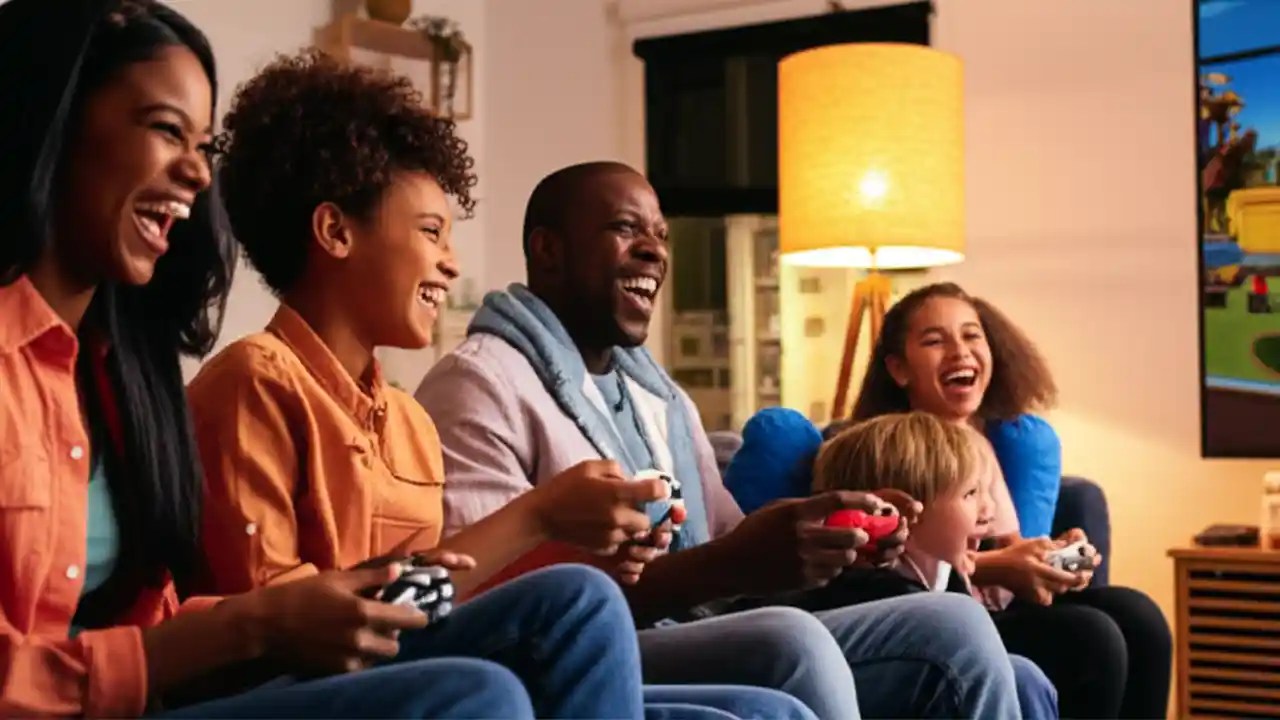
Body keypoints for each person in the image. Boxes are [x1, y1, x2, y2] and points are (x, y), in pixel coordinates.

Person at [185, 51, 814, 720]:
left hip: (394, 661)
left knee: (768, 711)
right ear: (335, 231)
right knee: (576, 604)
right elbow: (288, 632)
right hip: (292, 684)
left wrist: (586, 551)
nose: (453, 264)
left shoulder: (405, 420)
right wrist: (538, 518)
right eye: (431, 233)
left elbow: (429, 596)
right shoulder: (255, 383)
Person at [0, 1, 545, 717]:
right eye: (167, 130)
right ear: (56, 121)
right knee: (480, 693)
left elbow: (149, 622)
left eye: (203, 146)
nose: (197, 173)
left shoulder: (123, 377)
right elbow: (247, 622)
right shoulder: (251, 380)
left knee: (578, 613)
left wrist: (320, 605)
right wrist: (258, 620)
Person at [416, 161, 1036, 719]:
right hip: (608, 645)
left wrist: (824, 535)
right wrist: (731, 563)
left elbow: (726, 540)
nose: (654, 253)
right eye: (626, 230)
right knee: (795, 642)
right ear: (547, 250)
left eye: (660, 235)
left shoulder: (658, 395)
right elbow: (496, 605)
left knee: (980, 642)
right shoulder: (481, 382)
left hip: (701, 621)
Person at [849, 281, 1172, 719]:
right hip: (951, 621)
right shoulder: (895, 447)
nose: (959, 352)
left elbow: (1005, 548)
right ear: (900, 369)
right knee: (1091, 636)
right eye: (934, 341)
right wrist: (1010, 566)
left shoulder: (979, 442)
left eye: (970, 335)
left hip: (997, 606)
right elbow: (906, 566)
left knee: (1140, 616)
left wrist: (1056, 560)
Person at [805, 413, 1058, 719]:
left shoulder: (946, 576)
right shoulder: (863, 590)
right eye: (970, 494)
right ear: (896, 512)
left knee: (1026, 677)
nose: (989, 510)